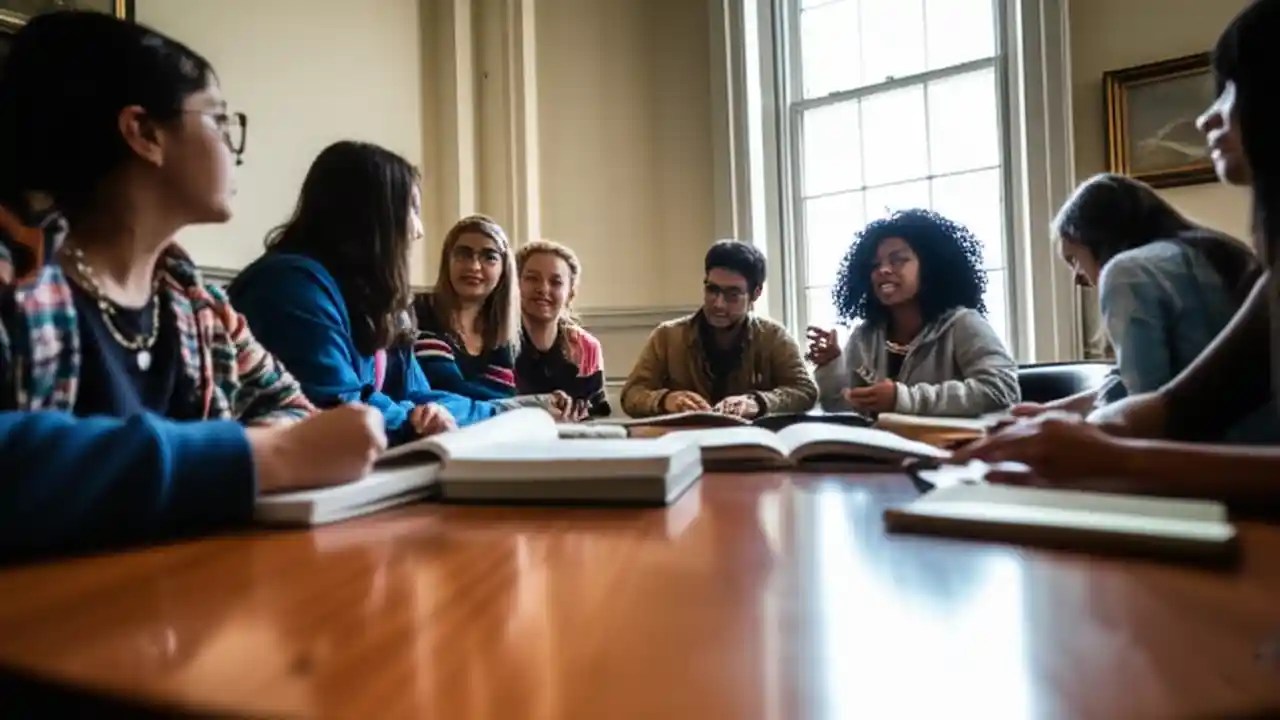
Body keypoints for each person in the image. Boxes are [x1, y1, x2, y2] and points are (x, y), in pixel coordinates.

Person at [0, 12, 383, 555]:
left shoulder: (194, 301)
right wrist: (261, 458)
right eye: (220, 121)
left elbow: (292, 410)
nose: (235, 148)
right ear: (145, 133)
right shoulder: (17, 275)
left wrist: (275, 448)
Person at [955, 0, 1280, 502]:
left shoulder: (1131, 273)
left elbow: (1153, 406)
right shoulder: (1260, 274)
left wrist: (1111, 455)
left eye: (1232, 89)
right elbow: (1177, 403)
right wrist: (1057, 429)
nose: (1204, 120)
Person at [228, 141, 501, 443]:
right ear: (370, 216)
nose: (419, 229)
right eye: (411, 209)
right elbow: (338, 407)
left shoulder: (379, 302)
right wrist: (413, 418)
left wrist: (500, 415)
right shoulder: (288, 286)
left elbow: (419, 394)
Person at [1011, 173, 1276, 441]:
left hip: (1209, 459)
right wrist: (1049, 413)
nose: (1078, 277)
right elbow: (1154, 386)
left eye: (1073, 259)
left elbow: (1143, 403)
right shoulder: (1222, 251)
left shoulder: (1127, 272)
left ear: (1094, 236)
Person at [808, 209, 1019, 418]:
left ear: (929, 266)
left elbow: (1001, 390)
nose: (883, 270)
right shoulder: (864, 337)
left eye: (898, 260)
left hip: (949, 449)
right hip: (881, 450)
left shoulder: (964, 324)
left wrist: (902, 399)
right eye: (875, 265)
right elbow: (841, 410)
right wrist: (832, 365)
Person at [621, 239, 817, 418]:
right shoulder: (667, 336)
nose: (719, 304)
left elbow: (804, 390)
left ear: (755, 294)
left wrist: (758, 402)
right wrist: (666, 400)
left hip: (750, 446)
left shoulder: (773, 337)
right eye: (712, 290)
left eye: (732, 294)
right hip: (685, 444)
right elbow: (631, 394)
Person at [414, 215, 572, 418]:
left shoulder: (501, 329)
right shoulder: (421, 312)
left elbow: (500, 395)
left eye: (489, 257)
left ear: (503, 269)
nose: (474, 266)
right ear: (448, 261)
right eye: (464, 254)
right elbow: (448, 392)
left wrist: (539, 403)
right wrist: (533, 404)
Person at [514, 240, 610, 418]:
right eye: (532, 278)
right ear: (515, 285)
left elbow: (597, 415)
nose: (543, 288)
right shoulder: (497, 341)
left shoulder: (586, 348)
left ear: (570, 293)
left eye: (556, 282)